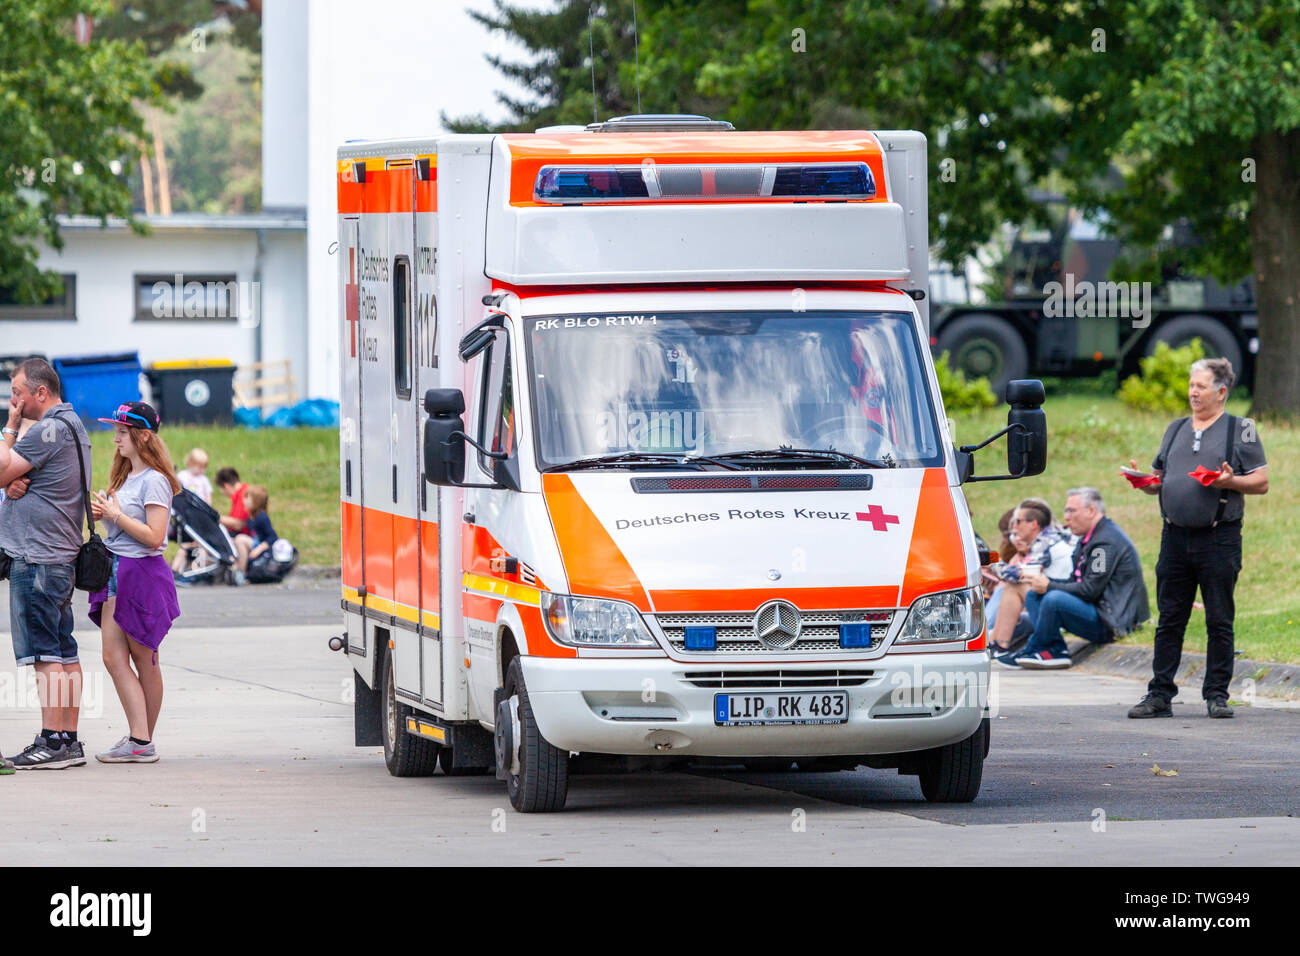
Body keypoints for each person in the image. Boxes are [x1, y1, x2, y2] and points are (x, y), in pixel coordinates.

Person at [1125, 357, 1268, 719]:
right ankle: (1159, 694)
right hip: (1173, 536)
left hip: (1218, 539)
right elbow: (1161, 477)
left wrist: (1228, 482)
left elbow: (1261, 482)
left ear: (1221, 392)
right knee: (1170, 618)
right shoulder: (1175, 429)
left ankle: (1217, 695)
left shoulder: (1241, 429)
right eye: (1191, 385)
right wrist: (1145, 481)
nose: (1193, 392)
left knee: (1219, 618)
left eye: (1200, 386)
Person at [0, 358, 92, 769]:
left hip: (37, 558)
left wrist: (9, 426)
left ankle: (52, 741)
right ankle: (68, 740)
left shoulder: (48, 427)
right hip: (60, 556)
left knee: (44, 655)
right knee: (63, 650)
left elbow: (1, 469)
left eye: (18, 391)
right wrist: (17, 480)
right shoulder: (73, 426)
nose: (14, 399)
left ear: (41, 392)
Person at [88, 402, 182, 762]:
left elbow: (156, 537)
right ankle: (139, 739)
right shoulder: (126, 477)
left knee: (145, 658)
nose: (116, 439)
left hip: (141, 574)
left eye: (123, 433)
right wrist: (105, 516)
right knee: (113, 657)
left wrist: (116, 516)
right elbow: (126, 528)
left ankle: (141, 741)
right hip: (115, 570)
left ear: (143, 436)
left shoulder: (155, 480)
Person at [995, 487, 1149, 670]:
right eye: (1066, 511)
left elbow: (1090, 590)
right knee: (1033, 595)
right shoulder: (1088, 538)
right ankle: (1054, 650)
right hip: (1099, 612)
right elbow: (1074, 582)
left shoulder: (1104, 543)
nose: (1066, 516)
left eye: (1071, 511)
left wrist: (1049, 585)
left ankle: (1036, 648)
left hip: (1113, 622)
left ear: (1091, 511)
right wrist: (1043, 584)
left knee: (1053, 598)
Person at [987, 499, 1076, 652]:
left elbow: (1018, 575)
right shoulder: (1047, 538)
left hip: (1062, 601)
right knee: (1012, 586)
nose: (1013, 526)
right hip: (1060, 596)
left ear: (1033, 524)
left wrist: (992, 562)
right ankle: (997, 643)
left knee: (1014, 585)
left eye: (1017, 521)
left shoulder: (1045, 542)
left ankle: (998, 644)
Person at [171, 447, 213, 574]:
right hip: (186, 517)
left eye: (203, 467)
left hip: (201, 517)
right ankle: (174, 570)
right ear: (190, 464)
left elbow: (208, 498)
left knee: (198, 546)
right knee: (184, 546)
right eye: (198, 467)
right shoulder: (182, 476)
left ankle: (195, 571)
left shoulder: (204, 480)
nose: (201, 470)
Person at [232, 484, 276, 586]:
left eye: (247, 497)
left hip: (261, 547)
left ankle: (241, 572)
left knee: (240, 539)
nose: (244, 500)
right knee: (235, 540)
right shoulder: (250, 516)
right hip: (253, 542)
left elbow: (272, 537)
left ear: (256, 501)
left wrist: (259, 549)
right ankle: (234, 569)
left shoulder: (262, 517)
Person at [215, 466, 249, 535]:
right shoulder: (242, 492)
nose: (221, 492)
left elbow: (239, 525)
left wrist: (215, 517)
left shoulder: (244, 495)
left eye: (220, 488)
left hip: (243, 536)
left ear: (226, 486)